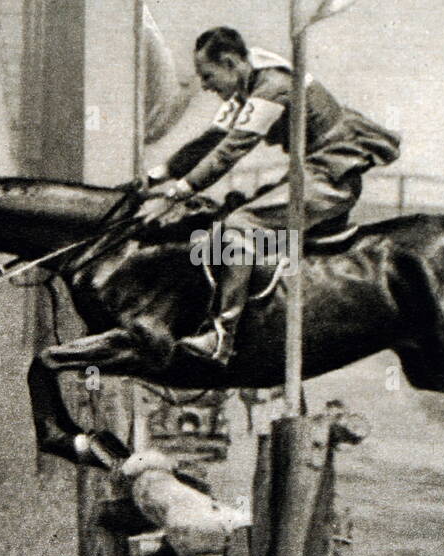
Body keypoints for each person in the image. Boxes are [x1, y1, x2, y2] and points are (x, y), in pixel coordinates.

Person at [136, 26, 400, 364]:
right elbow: (210, 141)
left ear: (231, 63)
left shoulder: (271, 88)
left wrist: (176, 193)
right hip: (312, 172)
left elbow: (228, 153)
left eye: (207, 75)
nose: (204, 85)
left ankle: (221, 339)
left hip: (329, 178)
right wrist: (154, 176)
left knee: (240, 223)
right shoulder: (247, 86)